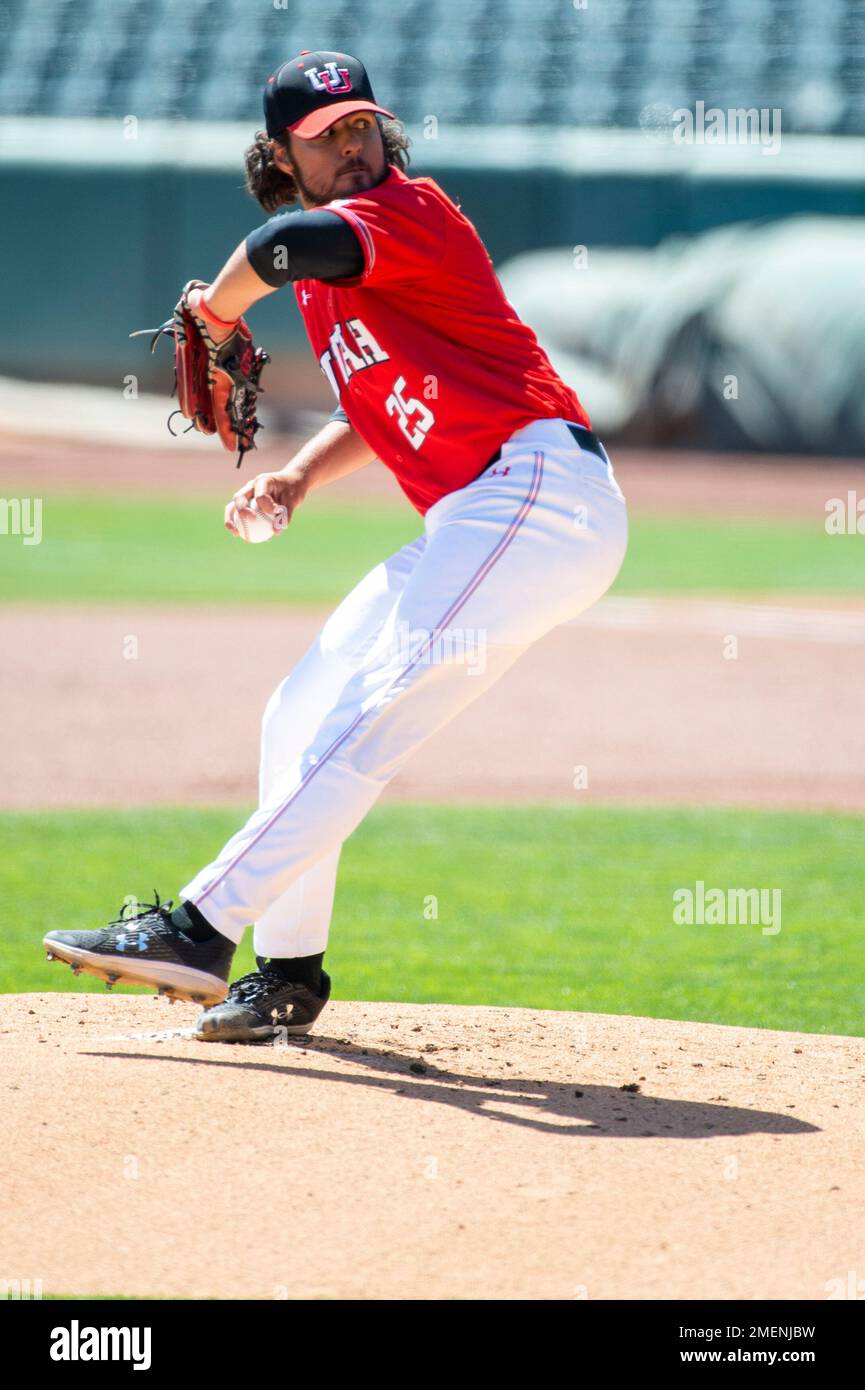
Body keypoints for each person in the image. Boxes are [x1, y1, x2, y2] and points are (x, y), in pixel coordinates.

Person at [43, 50, 628, 1043]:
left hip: (538, 494)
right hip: (485, 515)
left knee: (368, 712)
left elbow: (281, 249)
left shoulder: (406, 215)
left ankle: (195, 925)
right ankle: (287, 974)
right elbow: (375, 405)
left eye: (361, 125)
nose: (353, 146)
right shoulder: (332, 280)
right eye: (326, 136)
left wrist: (213, 309)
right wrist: (299, 479)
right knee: (300, 711)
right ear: (282, 153)